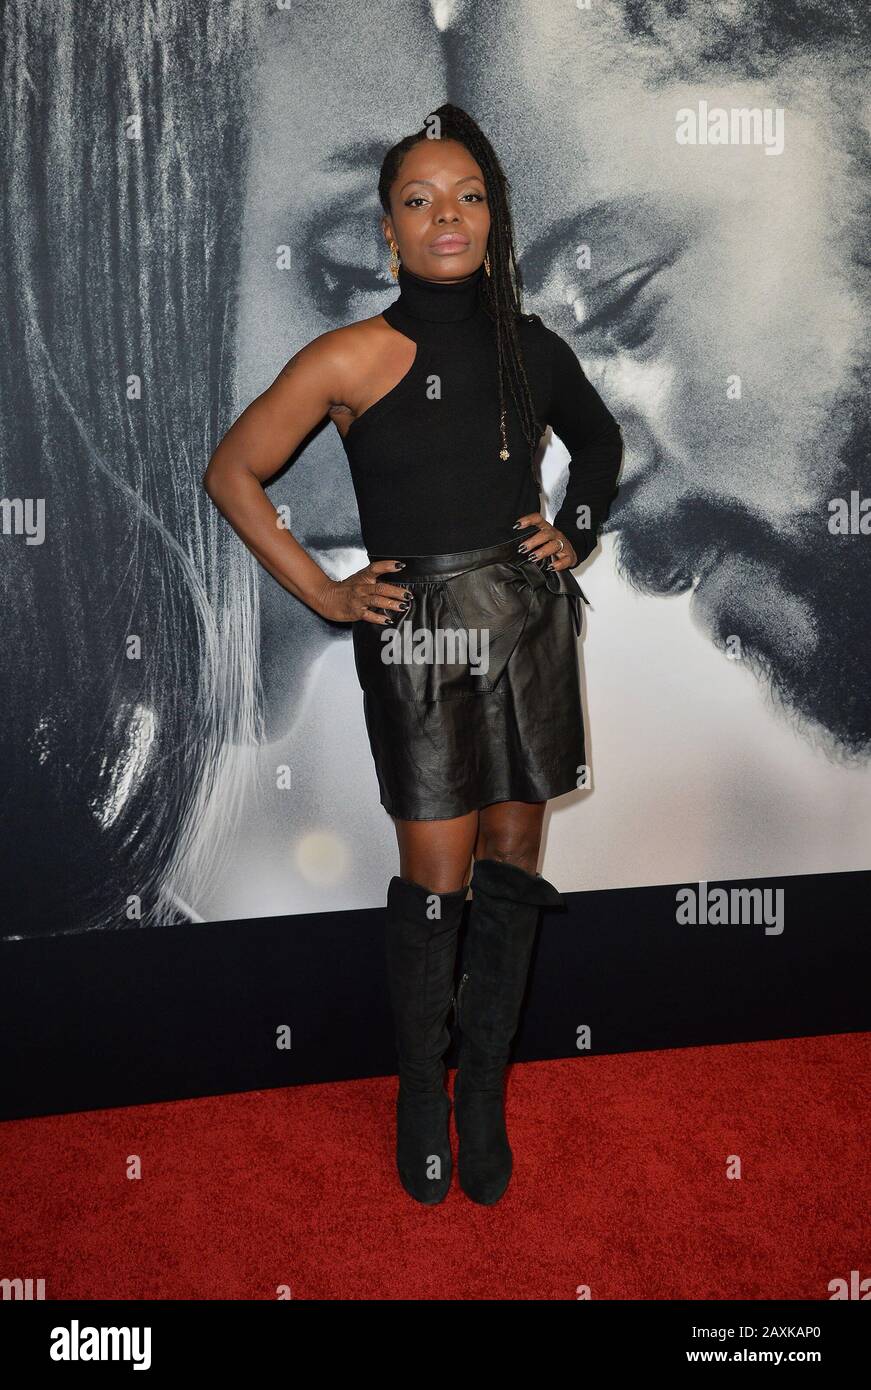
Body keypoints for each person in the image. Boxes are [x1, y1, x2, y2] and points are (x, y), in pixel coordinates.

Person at [203, 104, 623, 1206]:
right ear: (387, 230)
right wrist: (326, 591)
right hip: (419, 635)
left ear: (492, 217)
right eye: (420, 199)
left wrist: (575, 527)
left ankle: (481, 1094)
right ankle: (419, 1099)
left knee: (512, 861)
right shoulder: (348, 355)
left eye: (468, 196)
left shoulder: (532, 347)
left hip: (527, 619)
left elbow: (599, 440)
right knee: (436, 875)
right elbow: (232, 472)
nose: (448, 216)